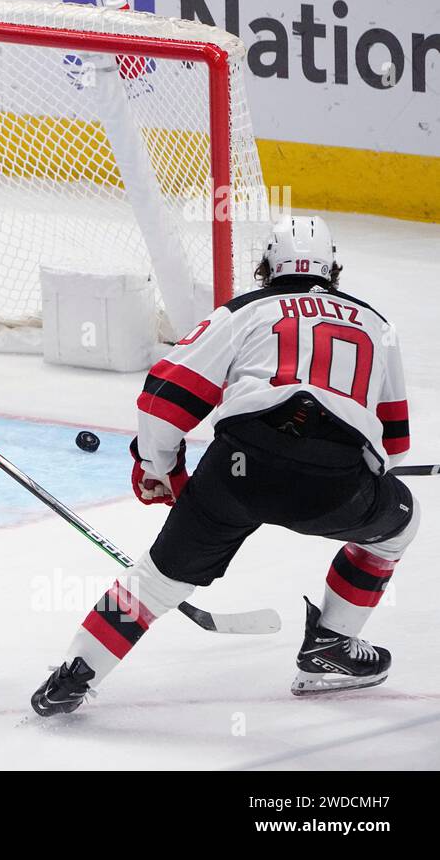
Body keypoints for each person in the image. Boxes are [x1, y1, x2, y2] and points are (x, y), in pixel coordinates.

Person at [32, 216, 417, 716]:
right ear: (333, 268)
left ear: (267, 268)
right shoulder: (377, 325)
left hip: (238, 468)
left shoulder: (244, 311)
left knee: (156, 580)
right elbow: (396, 444)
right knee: (398, 525)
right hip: (334, 482)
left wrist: (160, 467)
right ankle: (331, 644)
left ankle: (73, 675)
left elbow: (165, 399)